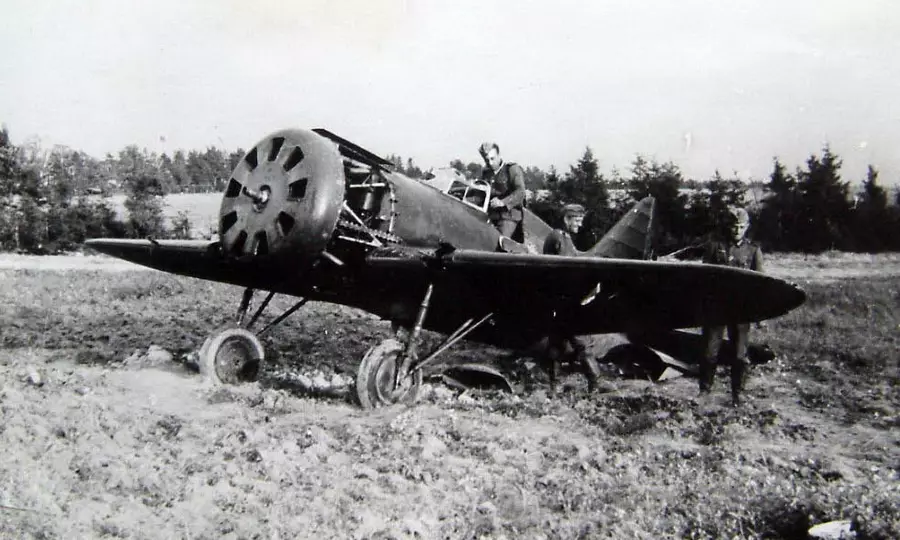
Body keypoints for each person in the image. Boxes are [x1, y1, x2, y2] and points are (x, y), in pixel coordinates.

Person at [698, 206, 765, 406]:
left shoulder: (753, 251)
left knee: (739, 354)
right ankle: (704, 392)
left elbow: (760, 284)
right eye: (734, 226)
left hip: (741, 310)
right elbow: (702, 278)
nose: (737, 229)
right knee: (709, 352)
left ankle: (737, 394)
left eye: (741, 226)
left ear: (747, 228)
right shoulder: (714, 247)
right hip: (716, 309)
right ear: (729, 226)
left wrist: (759, 314)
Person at [541, 204, 602, 393]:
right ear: (566, 219)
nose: (580, 224)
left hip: (558, 301)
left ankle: (555, 388)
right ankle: (595, 385)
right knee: (583, 343)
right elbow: (567, 269)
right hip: (566, 301)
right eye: (577, 220)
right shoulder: (559, 238)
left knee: (557, 345)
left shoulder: (560, 237)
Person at [479, 142, 526, 238]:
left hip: (508, 217)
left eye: (493, 158)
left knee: (499, 243)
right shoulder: (486, 173)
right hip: (490, 215)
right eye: (487, 160)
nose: (490, 163)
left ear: (499, 155)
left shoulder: (512, 169)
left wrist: (502, 202)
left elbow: (521, 192)